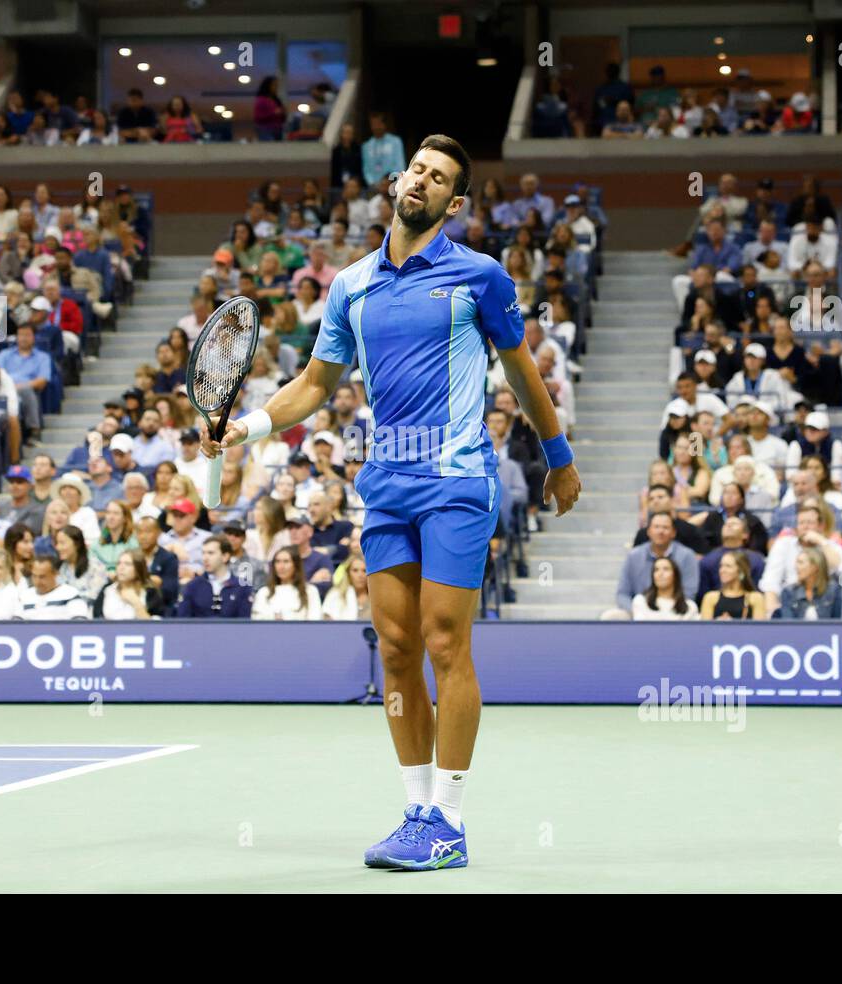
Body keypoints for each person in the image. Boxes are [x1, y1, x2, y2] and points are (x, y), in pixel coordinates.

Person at [201, 134, 580, 869]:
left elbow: (522, 371)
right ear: (397, 183)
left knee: (445, 643)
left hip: (457, 482)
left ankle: (451, 820)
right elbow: (314, 385)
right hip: (386, 488)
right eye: (416, 169)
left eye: (438, 178)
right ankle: (415, 810)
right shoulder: (352, 285)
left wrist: (558, 457)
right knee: (398, 651)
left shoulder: (481, 276)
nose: (422, 182)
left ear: (453, 203)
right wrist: (245, 428)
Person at [176, 535, 254, 618]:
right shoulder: (193, 586)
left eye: (210, 553)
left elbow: (245, 623)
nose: (205, 558)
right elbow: (183, 621)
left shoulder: (242, 586)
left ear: (225, 557)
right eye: (203, 553)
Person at [251, 547, 323, 620]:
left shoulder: (310, 591)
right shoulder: (263, 592)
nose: (281, 567)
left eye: (286, 561)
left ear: (296, 565)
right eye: (277, 561)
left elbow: (315, 619)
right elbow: (256, 619)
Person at [777, 545, 842, 619]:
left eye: (800, 562)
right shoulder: (788, 592)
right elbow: (788, 625)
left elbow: (839, 624)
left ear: (814, 567)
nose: (796, 567)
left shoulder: (834, 590)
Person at [93, 550, 163, 620]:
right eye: (119, 563)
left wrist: (136, 602)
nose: (121, 568)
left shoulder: (150, 592)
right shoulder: (107, 589)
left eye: (127, 564)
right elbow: (96, 620)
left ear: (138, 568)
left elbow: (155, 627)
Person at [700, 550, 766, 620]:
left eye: (728, 566)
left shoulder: (755, 598)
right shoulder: (710, 598)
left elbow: (759, 629)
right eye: (721, 566)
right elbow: (705, 628)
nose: (722, 570)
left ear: (741, 570)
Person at [19, 554, 91, 620]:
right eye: (34, 576)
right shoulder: (24, 596)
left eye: (42, 577)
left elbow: (80, 623)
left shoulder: (70, 594)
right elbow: (15, 623)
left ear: (55, 574)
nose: (37, 581)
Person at [631, 556, 699, 621]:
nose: (660, 574)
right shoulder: (641, 601)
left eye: (666, 569)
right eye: (656, 570)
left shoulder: (690, 607)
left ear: (675, 575)